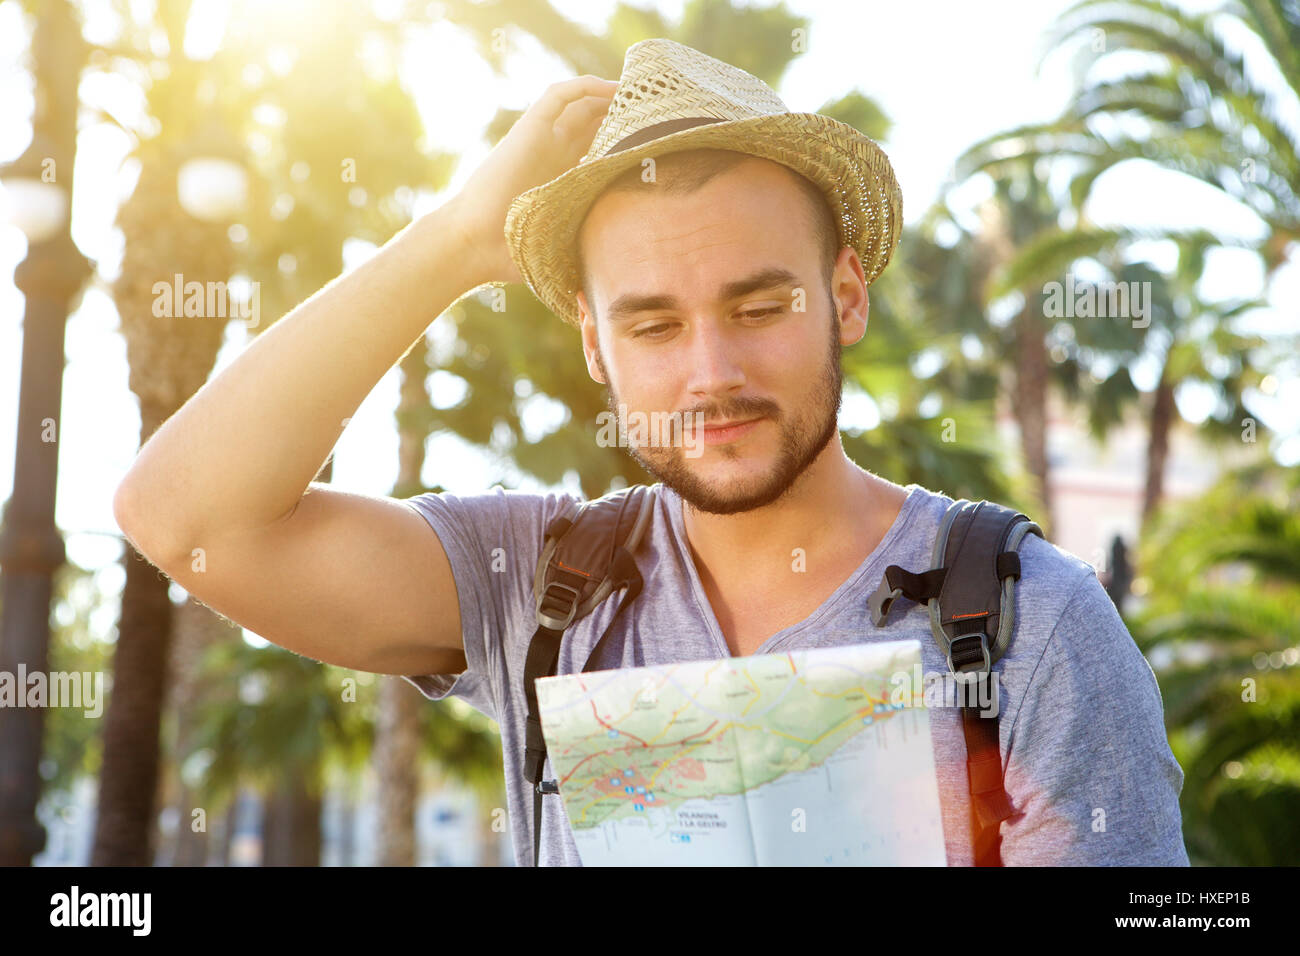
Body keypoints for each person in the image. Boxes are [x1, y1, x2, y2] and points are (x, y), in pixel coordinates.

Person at [113, 39, 1189, 867]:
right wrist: (449, 244)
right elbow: (187, 519)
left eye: (757, 304)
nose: (709, 372)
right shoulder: (540, 585)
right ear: (595, 344)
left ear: (845, 295)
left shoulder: (1027, 622)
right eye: (652, 325)